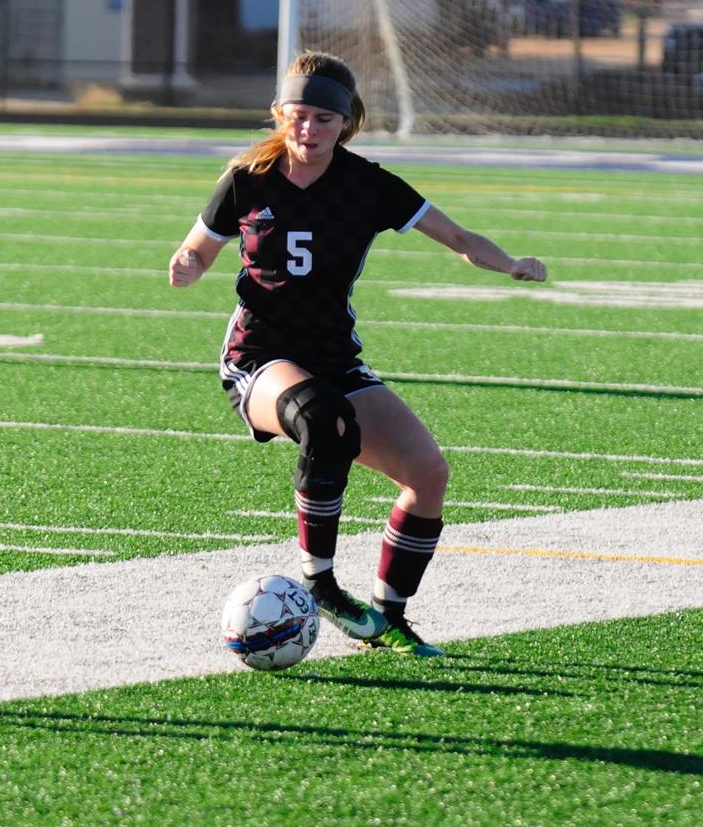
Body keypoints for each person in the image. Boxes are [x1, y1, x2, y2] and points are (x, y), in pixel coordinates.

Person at [168, 51, 546, 657]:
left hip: (335, 355)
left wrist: (510, 263)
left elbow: (456, 237)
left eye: (323, 118)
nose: (308, 130)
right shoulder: (246, 179)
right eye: (297, 116)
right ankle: (318, 581)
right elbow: (196, 252)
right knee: (322, 418)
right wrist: (186, 265)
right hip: (259, 357)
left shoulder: (368, 184)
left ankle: (389, 618)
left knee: (427, 475)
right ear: (278, 115)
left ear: (346, 122)